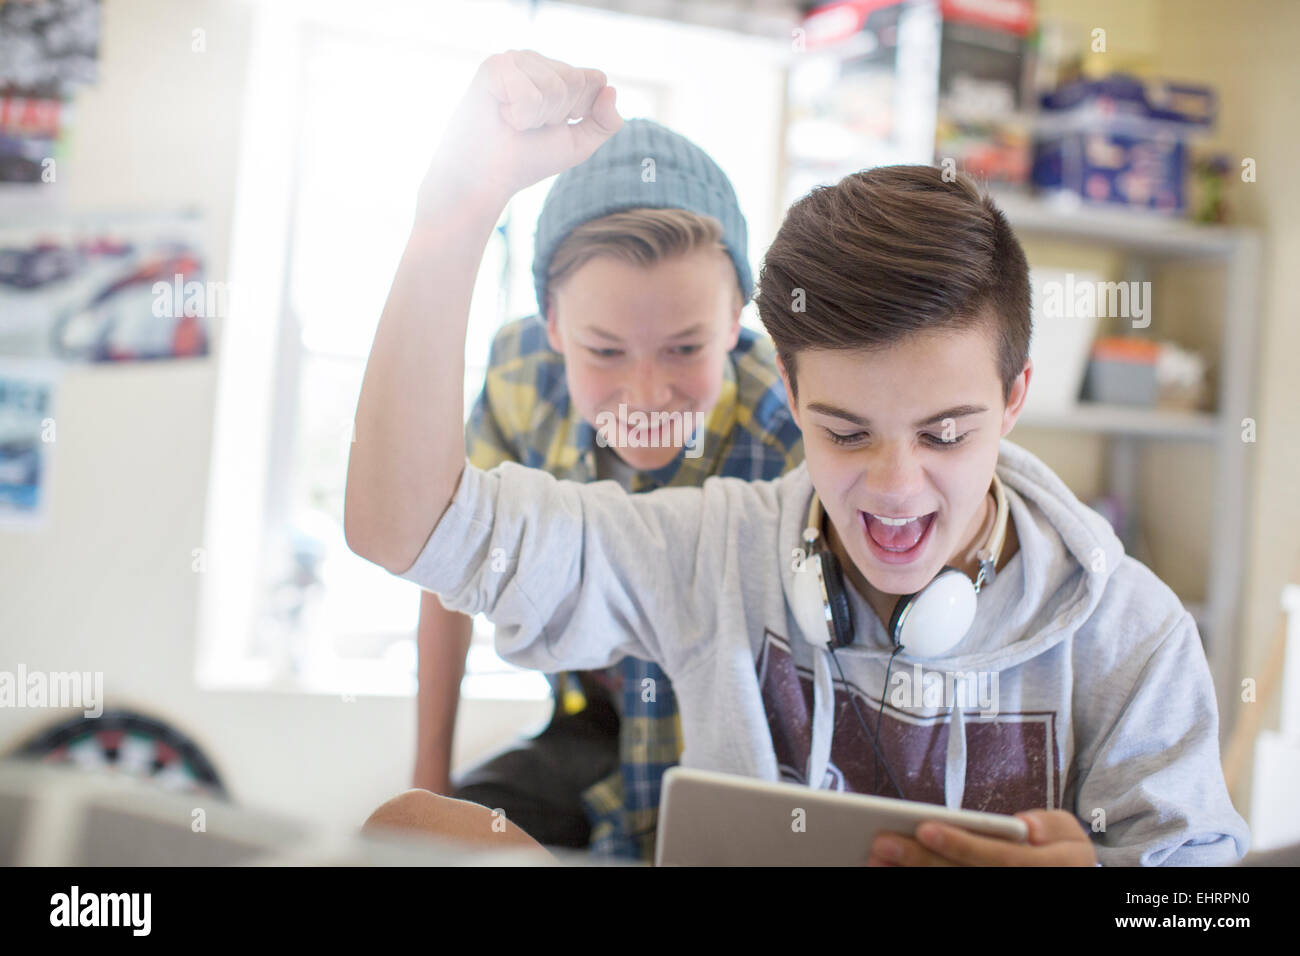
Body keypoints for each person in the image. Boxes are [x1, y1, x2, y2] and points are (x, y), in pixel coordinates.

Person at [348, 51, 1249, 865]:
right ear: (785, 384)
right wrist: (452, 218)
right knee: (415, 827)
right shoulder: (711, 554)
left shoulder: (1133, 635)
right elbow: (407, 530)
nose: (896, 490)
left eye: (945, 433)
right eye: (847, 431)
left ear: (1015, 395)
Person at [408, 104, 802, 857]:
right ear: (553, 324)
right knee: (425, 842)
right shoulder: (520, 372)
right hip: (589, 722)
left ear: (736, 321)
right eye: (606, 352)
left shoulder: (791, 426)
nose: (647, 396)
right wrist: (432, 782)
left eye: (686, 348)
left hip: (736, 746)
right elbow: (446, 575)